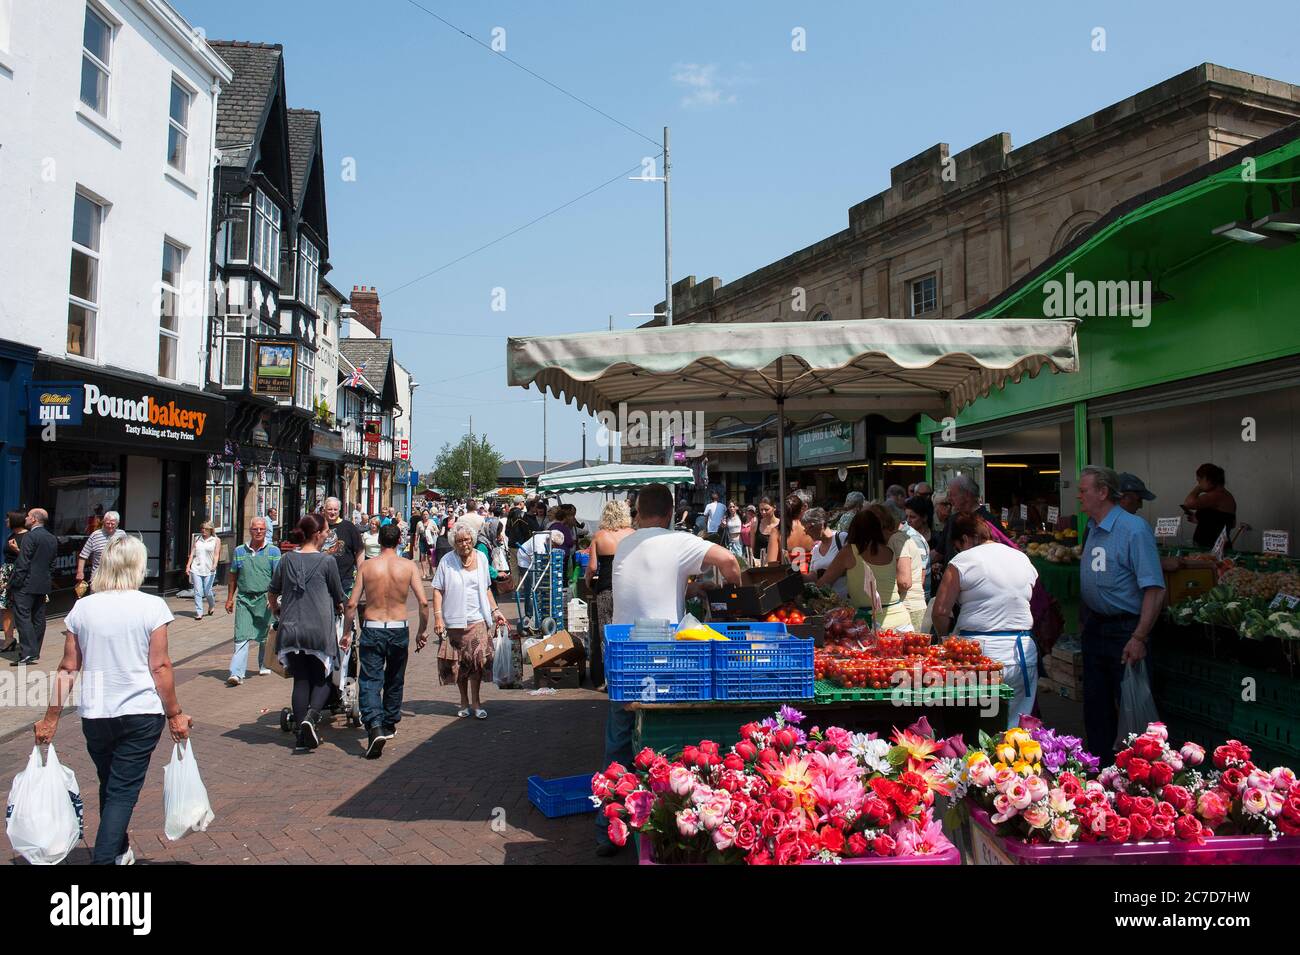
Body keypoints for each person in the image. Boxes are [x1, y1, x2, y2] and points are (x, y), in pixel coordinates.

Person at [598, 483, 742, 856]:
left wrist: (689, 587)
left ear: (638, 511)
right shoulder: (677, 541)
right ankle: (661, 827)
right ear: (669, 512)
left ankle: (610, 828)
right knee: (662, 745)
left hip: (624, 657)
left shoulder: (626, 543)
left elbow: (650, 585)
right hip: (663, 659)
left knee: (619, 742)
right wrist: (736, 595)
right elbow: (730, 562)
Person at [33, 535, 191, 865]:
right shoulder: (151, 606)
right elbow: (160, 665)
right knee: (122, 791)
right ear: (137, 566)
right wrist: (174, 713)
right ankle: (105, 859)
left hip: (96, 714)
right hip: (141, 713)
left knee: (111, 782)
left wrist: (51, 717)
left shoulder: (83, 608)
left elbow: (68, 666)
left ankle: (119, 850)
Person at [1077, 465, 1166, 757]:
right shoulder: (1092, 528)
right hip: (1095, 626)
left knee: (1129, 704)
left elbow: (1154, 587)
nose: (1079, 496)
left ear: (1103, 492)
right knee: (1096, 703)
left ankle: (1137, 773)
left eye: (1083, 490)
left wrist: (1139, 637)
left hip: (1123, 630)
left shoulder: (1133, 529)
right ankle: (1100, 770)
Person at [932, 512, 1040, 728]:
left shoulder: (962, 561)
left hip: (977, 655)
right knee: (1016, 727)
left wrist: (945, 641)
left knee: (976, 727)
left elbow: (941, 611)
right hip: (1021, 652)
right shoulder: (1022, 558)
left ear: (965, 539)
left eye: (958, 546)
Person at [344, 523, 428, 758]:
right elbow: (423, 602)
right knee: (395, 676)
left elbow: (352, 604)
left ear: (378, 541)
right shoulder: (408, 566)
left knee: (370, 679)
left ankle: (375, 725)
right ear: (399, 540)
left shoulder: (367, 567)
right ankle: (389, 722)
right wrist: (422, 631)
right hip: (399, 627)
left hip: (373, 626)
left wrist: (346, 632)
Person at [268, 515, 345, 750]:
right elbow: (338, 595)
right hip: (318, 629)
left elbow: (272, 592)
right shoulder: (326, 562)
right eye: (325, 531)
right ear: (318, 534)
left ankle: (301, 736)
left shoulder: (286, 559)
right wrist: (343, 606)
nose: (327, 534)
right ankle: (311, 718)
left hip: (291, 628)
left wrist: (278, 611)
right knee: (322, 679)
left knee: (300, 680)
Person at [432, 522, 508, 720]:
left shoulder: (482, 558)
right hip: (454, 621)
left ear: (472, 539)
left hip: (478, 619)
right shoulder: (447, 561)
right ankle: (464, 701)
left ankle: (476, 701)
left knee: (478, 663)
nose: (464, 544)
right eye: (459, 541)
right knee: (459, 665)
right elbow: (438, 590)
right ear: (454, 543)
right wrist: (438, 617)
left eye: (467, 540)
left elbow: (486, 588)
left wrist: (496, 610)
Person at [584, 500, 635, 691]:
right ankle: (627, 675)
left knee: (606, 633)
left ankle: (607, 679)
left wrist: (589, 582)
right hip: (629, 589)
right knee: (628, 631)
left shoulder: (599, 536)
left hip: (606, 588)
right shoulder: (632, 535)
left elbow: (592, 568)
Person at [817, 509, 899, 627]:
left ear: (853, 529)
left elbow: (823, 584)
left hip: (872, 623)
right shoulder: (889, 550)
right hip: (900, 618)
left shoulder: (849, 552)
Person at [224, 517, 280, 685]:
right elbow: (233, 575)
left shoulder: (273, 551)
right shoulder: (240, 551)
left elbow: (278, 577)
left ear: (266, 531)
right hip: (244, 598)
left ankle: (264, 663)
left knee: (265, 635)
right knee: (241, 635)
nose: (258, 532)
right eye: (255, 529)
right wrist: (229, 599)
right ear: (250, 531)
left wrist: (275, 597)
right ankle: (236, 673)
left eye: (262, 529)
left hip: (265, 598)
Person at [9, 507, 56, 665]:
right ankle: (34, 651)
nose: (26, 518)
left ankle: (28, 652)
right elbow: (52, 563)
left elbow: (24, 561)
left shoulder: (30, 536)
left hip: (26, 584)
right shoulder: (51, 537)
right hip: (42, 583)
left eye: (28, 516)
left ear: (34, 519)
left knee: (23, 617)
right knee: (38, 617)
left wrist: (14, 583)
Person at [877, 504, 927, 630]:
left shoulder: (897, 539)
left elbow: (904, 582)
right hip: (909, 606)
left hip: (908, 607)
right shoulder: (899, 538)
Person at [1183, 463, 1236, 549]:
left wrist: (1198, 489)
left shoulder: (1217, 495)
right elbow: (1231, 523)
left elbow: (1188, 503)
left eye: (1200, 481)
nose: (1199, 483)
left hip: (1212, 548)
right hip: (1212, 546)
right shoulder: (1226, 495)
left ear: (1209, 479)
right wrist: (1201, 520)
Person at [803, 508, 848, 599]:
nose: (806, 532)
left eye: (808, 527)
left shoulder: (842, 538)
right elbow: (814, 576)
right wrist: (798, 577)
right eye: (805, 529)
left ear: (821, 524)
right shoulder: (815, 550)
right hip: (827, 604)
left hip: (847, 601)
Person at [76, 509, 125, 592]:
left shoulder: (122, 535)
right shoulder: (95, 535)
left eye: (112, 523)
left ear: (117, 523)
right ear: (103, 522)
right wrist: (80, 572)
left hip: (117, 578)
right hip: (98, 577)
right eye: (107, 523)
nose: (110, 526)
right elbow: (83, 555)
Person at [1, 510, 28, 654]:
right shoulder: (12, 535)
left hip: (19, 574)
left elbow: (29, 559)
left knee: (22, 608)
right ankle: (9, 639)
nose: (6, 521)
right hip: (7, 573)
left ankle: (27, 644)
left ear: (15, 520)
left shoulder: (28, 536)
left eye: (8, 519)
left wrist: (16, 550)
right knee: (5, 607)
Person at [185, 521, 220, 619]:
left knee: (207, 591)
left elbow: (216, 554)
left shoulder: (216, 540)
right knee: (198, 591)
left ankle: (211, 605)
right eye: (202, 528)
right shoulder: (197, 539)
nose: (203, 530)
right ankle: (199, 612)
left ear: (210, 530)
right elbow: (192, 553)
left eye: (206, 529)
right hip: (196, 568)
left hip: (209, 570)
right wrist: (188, 566)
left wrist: (215, 564)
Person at [785, 494, 815, 574]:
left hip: (789, 579)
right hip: (810, 577)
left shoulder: (779, 530)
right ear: (802, 508)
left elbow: (772, 562)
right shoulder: (811, 528)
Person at [752, 497, 781, 567]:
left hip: (775, 566)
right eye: (761, 510)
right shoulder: (755, 524)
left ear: (774, 508)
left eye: (766, 509)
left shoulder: (781, 525)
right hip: (758, 566)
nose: (763, 512)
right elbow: (752, 547)